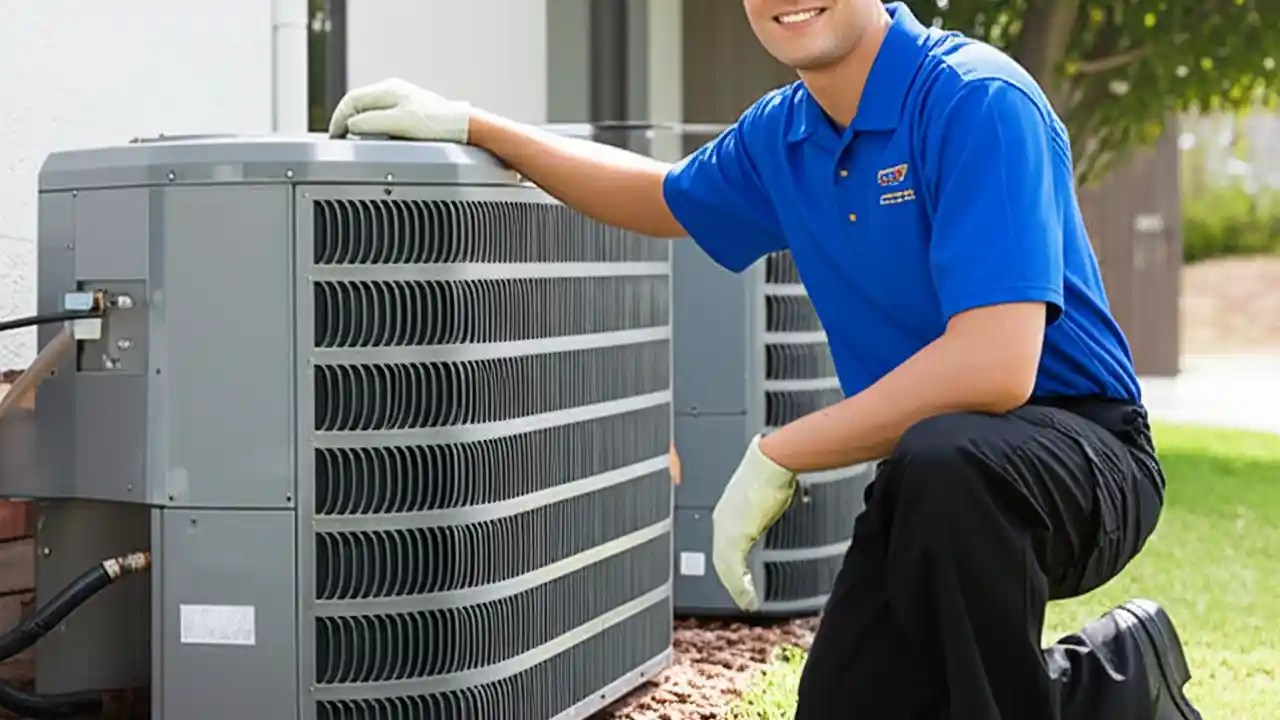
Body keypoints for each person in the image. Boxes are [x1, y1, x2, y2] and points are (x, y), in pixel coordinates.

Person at [327, 2, 1203, 718]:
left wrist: (782, 449)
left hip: (1080, 457)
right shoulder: (784, 137)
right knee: (849, 703)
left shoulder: (976, 100)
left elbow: (994, 368)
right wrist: (477, 126)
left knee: (947, 462)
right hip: (938, 478)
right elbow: (658, 194)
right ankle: (1113, 679)